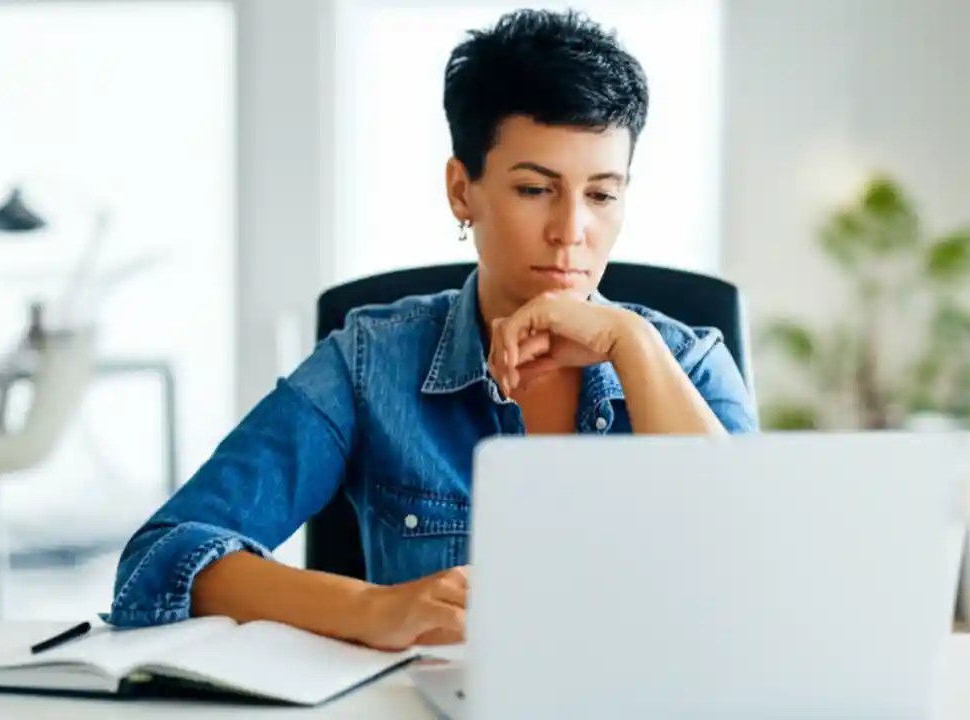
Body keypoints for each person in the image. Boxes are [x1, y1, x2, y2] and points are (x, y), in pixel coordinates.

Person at [109, 8, 757, 650]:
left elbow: (756, 577)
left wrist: (631, 345)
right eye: (535, 189)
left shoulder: (689, 362)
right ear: (461, 190)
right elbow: (164, 557)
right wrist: (370, 607)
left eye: (602, 195)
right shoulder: (371, 362)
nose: (571, 231)